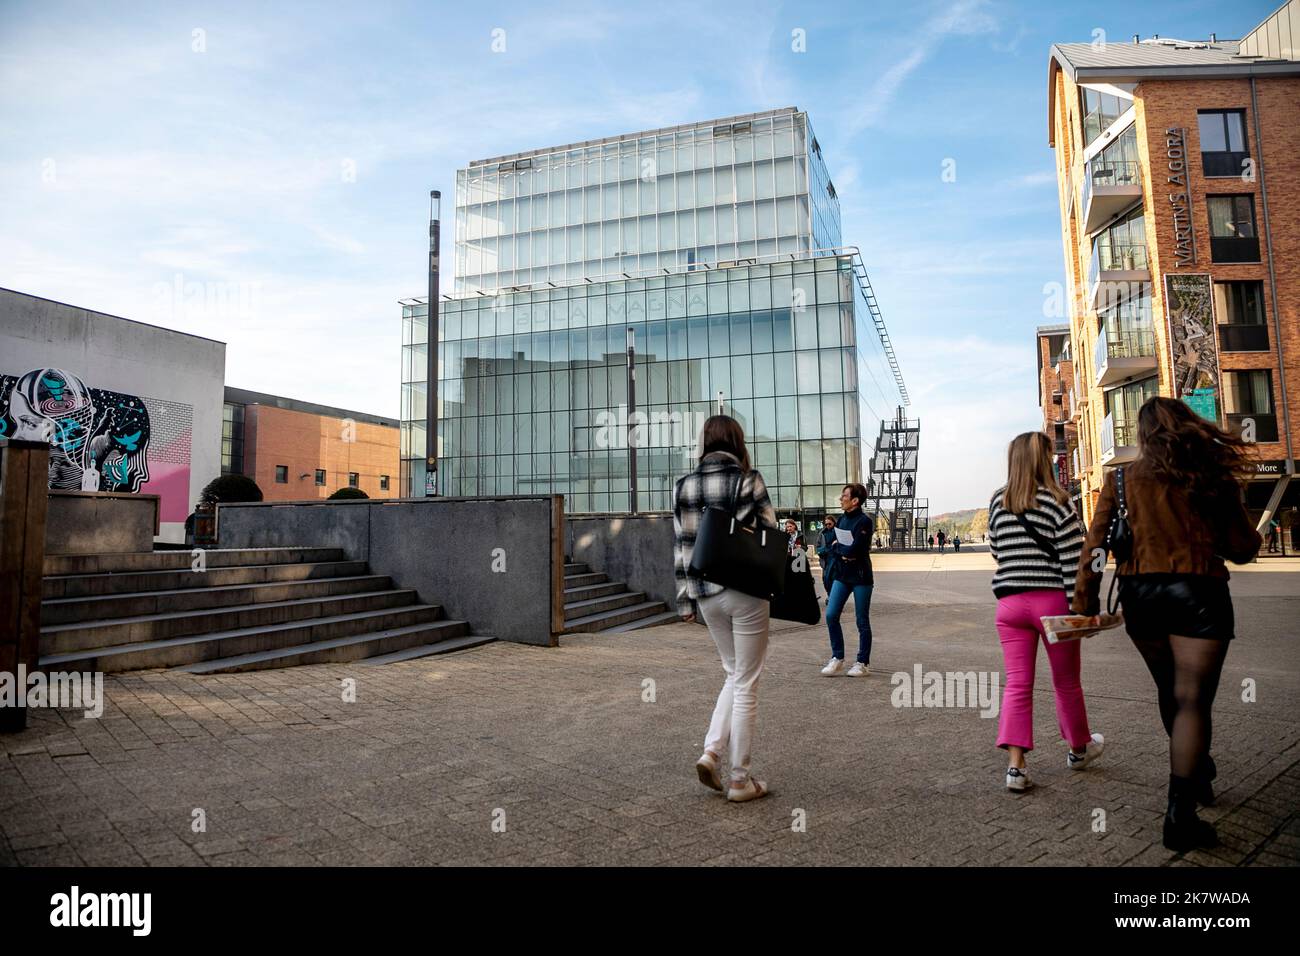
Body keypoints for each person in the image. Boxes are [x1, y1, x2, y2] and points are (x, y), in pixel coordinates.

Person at [1073, 397, 1260, 852]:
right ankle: (1181, 812)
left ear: (1141, 434)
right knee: (1193, 700)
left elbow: (1095, 548)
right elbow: (1242, 548)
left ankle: (1195, 771)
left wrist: (1085, 601)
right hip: (1198, 593)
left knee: (1169, 691)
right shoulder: (1208, 475)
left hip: (1143, 597)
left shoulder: (1120, 479)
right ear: (1186, 426)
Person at [989, 432, 1104, 793]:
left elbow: (997, 550)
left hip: (1009, 606)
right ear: (1043, 460)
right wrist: (1079, 611)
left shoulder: (997, 501)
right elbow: (1074, 562)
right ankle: (1077, 749)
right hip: (1051, 603)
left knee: (1017, 684)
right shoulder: (1058, 501)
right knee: (1066, 681)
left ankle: (1016, 767)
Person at [673, 414, 778, 803]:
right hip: (746, 589)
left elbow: (681, 545)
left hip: (705, 592)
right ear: (737, 441)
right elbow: (771, 532)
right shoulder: (749, 481)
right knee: (747, 682)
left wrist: (685, 600)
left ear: (705, 441)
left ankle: (711, 752)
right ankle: (739, 780)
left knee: (733, 673)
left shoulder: (682, 485)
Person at [821, 483, 874, 677]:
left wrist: (844, 550)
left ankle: (862, 662)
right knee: (831, 615)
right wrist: (843, 552)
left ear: (855, 501)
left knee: (862, 620)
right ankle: (837, 657)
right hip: (842, 576)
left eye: (844, 496)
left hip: (861, 577)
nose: (840, 498)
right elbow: (832, 548)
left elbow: (857, 550)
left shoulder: (864, 522)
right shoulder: (841, 520)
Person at [816, 515, 837, 595]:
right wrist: (822, 552)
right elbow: (818, 546)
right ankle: (829, 594)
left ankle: (832, 597)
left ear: (834, 523)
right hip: (826, 560)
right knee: (826, 579)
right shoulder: (822, 533)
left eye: (829, 524)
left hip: (835, 559)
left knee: (835, 579)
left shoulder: (837, 532)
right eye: (826, 524)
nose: (828, 526)